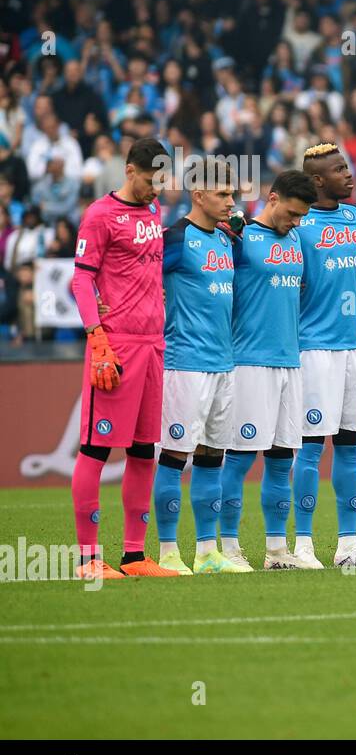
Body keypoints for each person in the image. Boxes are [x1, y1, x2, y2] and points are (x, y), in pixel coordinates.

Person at [68, 137, 177, 579]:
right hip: (117, 345)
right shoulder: (99, 215)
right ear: (130, 170)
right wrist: (97, 338)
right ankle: (88, 560)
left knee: (143, 450)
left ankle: (134, 556)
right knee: (96, 449)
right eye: (152, 180)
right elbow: (81, 280)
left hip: (154, 345)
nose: (158, 189)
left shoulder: (153, 212)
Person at [218, 170, 316, 570]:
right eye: (291, 213)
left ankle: (277, 550)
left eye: (301, 217)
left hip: (290, 364)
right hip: (249, 363)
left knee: (281, 460)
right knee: (239, 459)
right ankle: (226, 548)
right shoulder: (239, 239)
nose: (295, 223)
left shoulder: (295, 240)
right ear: (271, 198)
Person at [153, 162, 246, 574]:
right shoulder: (174, 239)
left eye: (232, 195)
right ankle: (169, 552)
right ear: (199, 195)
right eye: (223, 194)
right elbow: (138, 278)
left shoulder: (227, 241)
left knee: (212, 457)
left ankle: (207, 552)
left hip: (224, 364)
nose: (231, 202)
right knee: (175, 455)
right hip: (185, 365)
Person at [291, 143, 356, 568]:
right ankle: (303, 544)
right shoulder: (297, 224)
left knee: (348, 446)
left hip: (353, 347)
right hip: (314, 349)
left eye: (347, 165)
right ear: (318, 180)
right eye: (340, 169)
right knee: (310, 448)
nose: (350, 173)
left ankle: (348, 543)